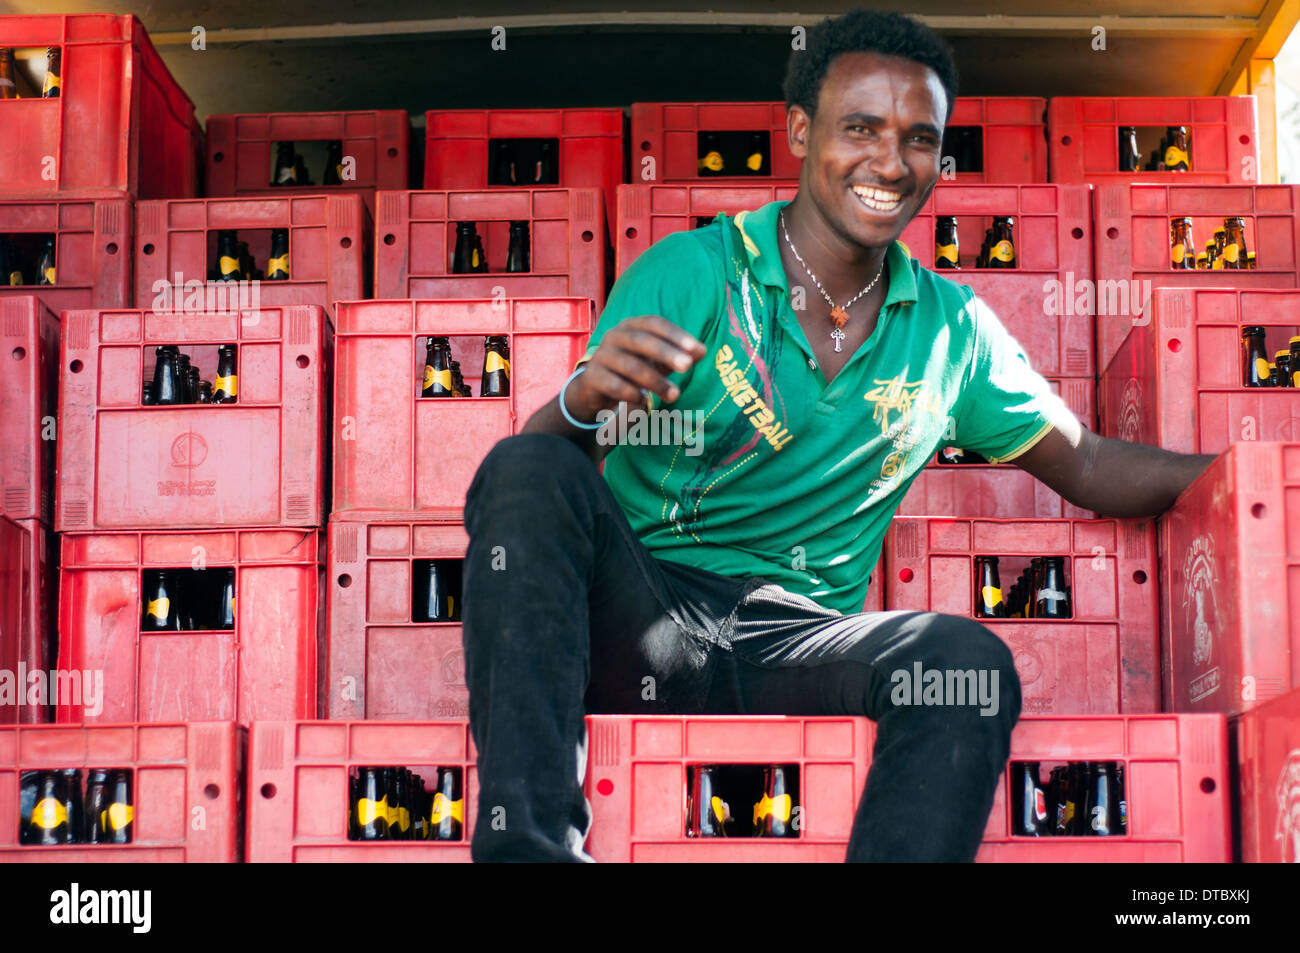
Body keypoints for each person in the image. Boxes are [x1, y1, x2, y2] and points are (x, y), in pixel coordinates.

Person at [460, 8, 1213, 862]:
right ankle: (528, 851)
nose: (891, 163)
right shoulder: (695, 273)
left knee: (963, 659)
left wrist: (1250, 475)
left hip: (796, 637)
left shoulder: (949, 328)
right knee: (522, 463)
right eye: (861, 128)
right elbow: (542, 483)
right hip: (641, 621)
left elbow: (1088, 461)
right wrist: (581, 403)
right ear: (799, 131)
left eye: (918, 138)